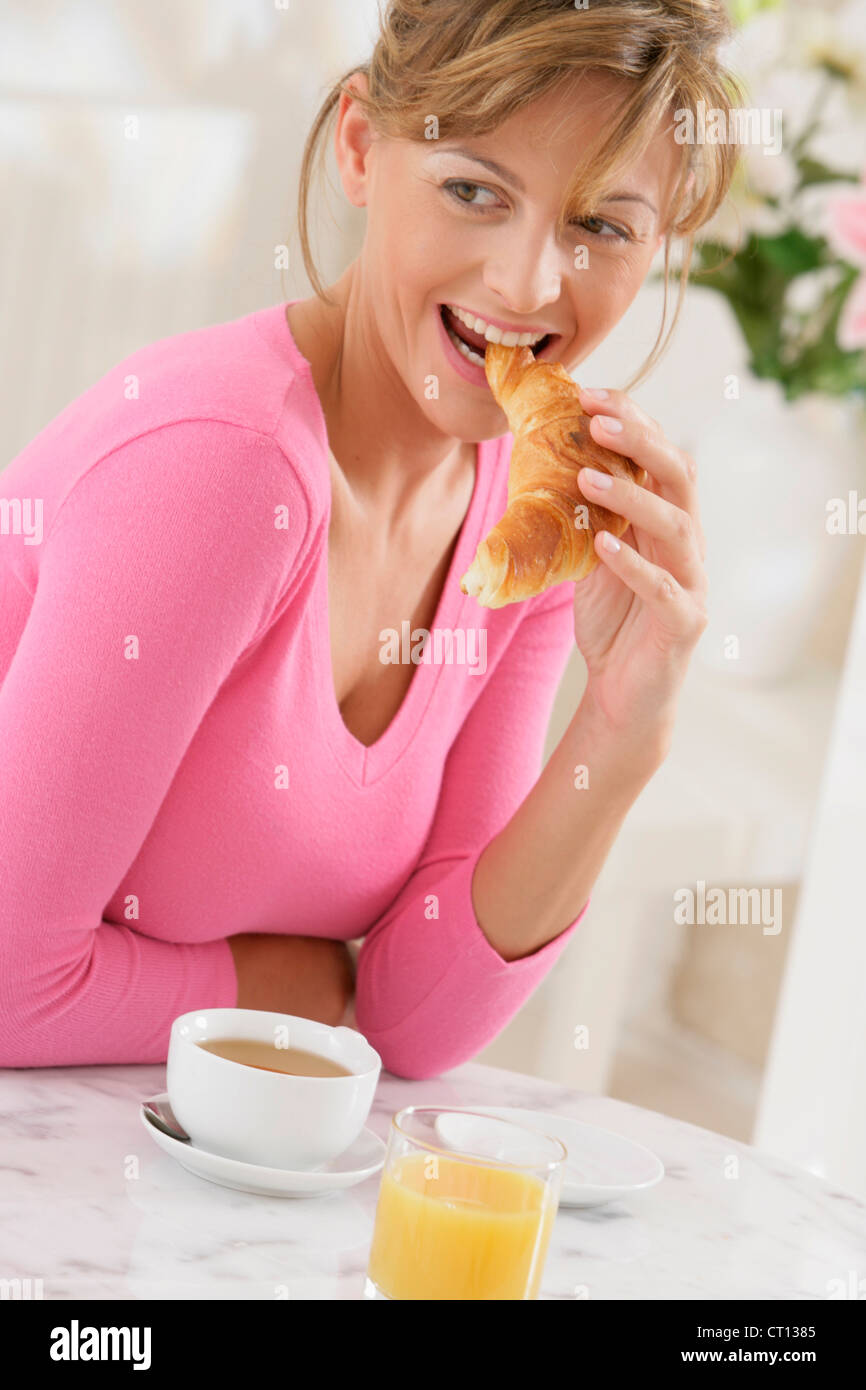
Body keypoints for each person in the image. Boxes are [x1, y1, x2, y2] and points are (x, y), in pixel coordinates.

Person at [0, 0, 740, 1076]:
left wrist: (623, 735)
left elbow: (412, 1022)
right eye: (472, 190)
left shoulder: (524, 524)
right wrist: (296, 986)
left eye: (601, 226)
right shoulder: (225, 468)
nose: (527, 284)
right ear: (359, 145)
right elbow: (10, 984)